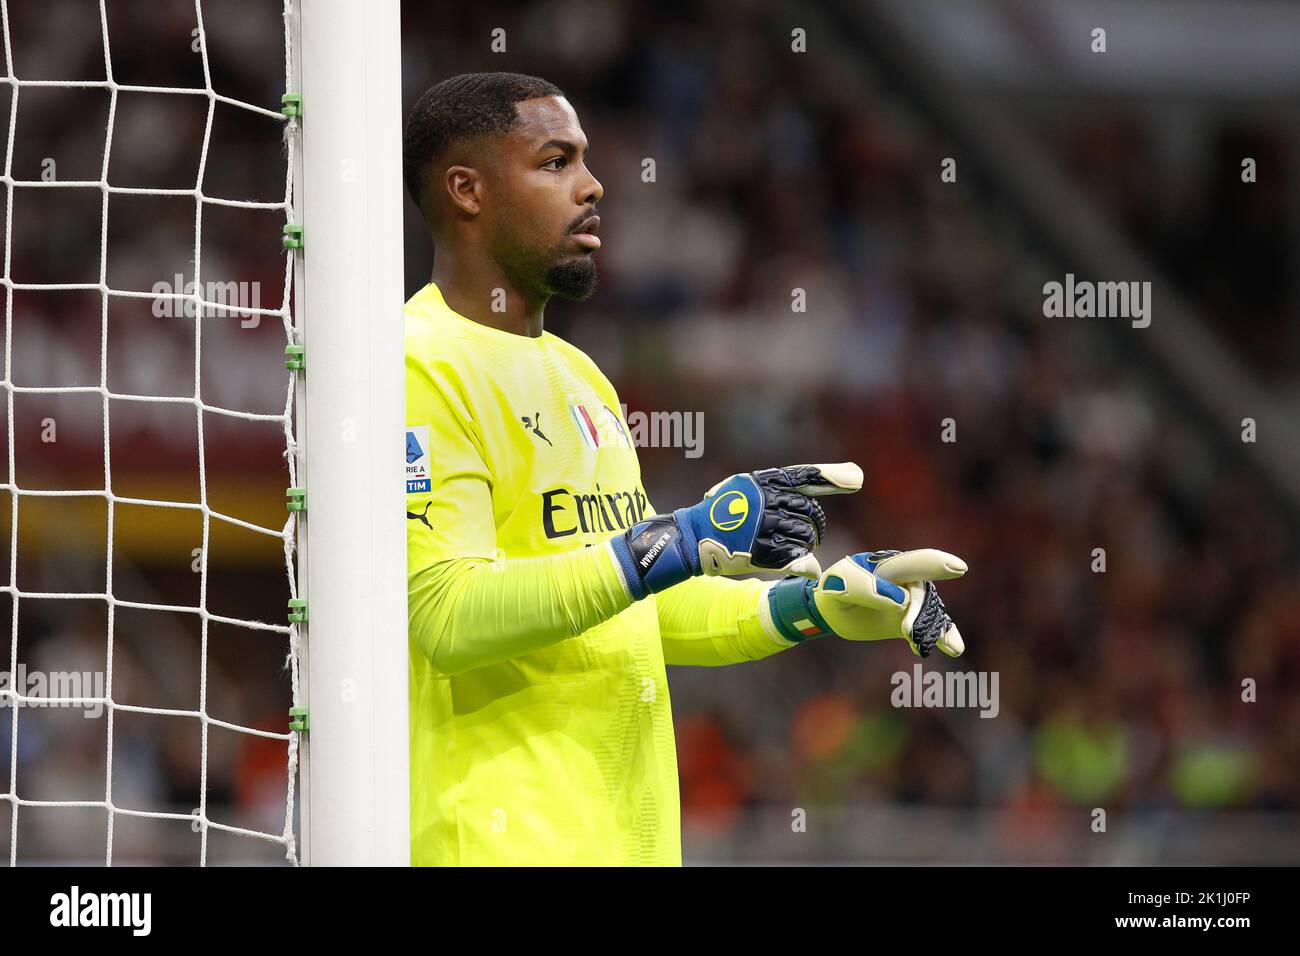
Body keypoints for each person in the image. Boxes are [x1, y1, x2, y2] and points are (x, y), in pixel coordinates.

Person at [402, 72, 966, 865]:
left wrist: (811, 605)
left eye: (585, 160)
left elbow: (637, 608)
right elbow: (449, 616)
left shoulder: (580, 377)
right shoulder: (416, 362)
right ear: (467, 190)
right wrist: (681, 539)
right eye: (555, 161)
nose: (594, 185)